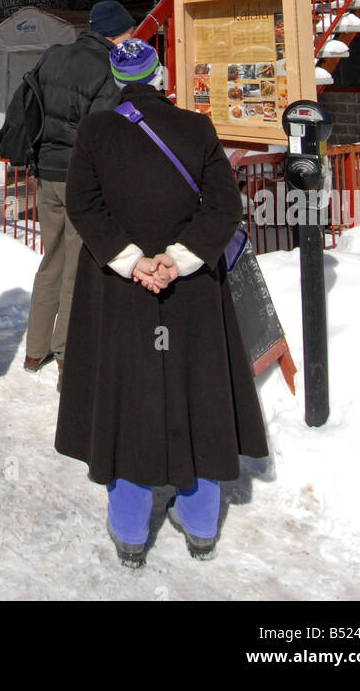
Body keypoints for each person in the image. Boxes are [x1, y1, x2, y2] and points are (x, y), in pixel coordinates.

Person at [55, 39, 268, 565]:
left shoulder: (96, 130)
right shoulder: (196, 129)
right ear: (161, 75)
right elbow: (225, 207)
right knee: (199, 390)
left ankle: (129, 527)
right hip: (191, 291)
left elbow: (82, 204)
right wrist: (180, 258)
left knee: (127, 393)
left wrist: (131, 261)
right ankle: (199, 521)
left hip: (119, 289)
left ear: (115, 77)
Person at [22, 0, 135, 383]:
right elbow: (102, 132)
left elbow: (31, 108)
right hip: (79, 178)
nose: (130, 40)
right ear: (115, 33)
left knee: (50, 259)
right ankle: (68, 351)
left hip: (45, 172)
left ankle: (35, 351)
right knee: (75, 264)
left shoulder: (53, 57)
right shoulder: (108, 69)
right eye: (128, 33)